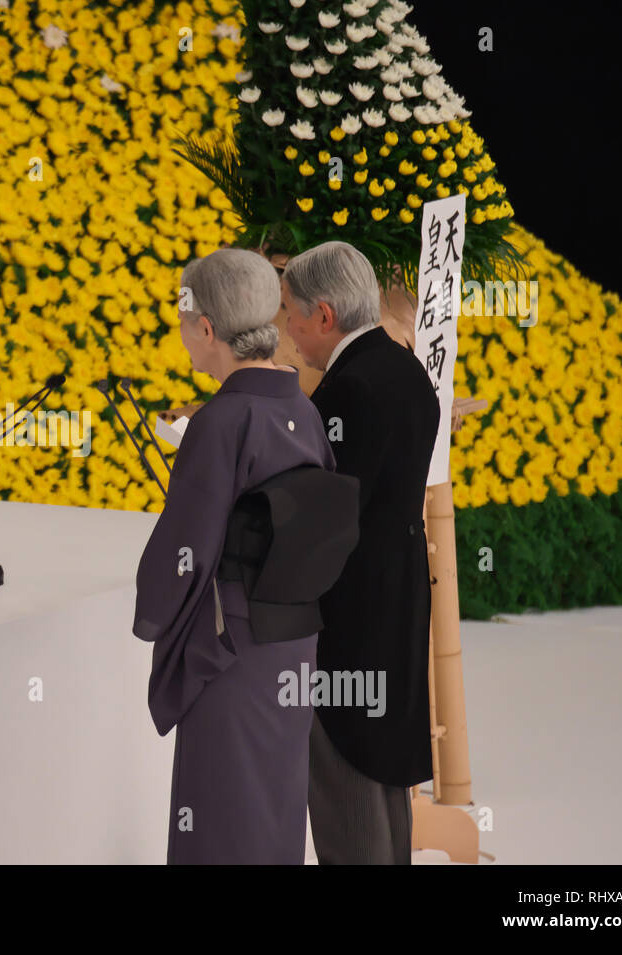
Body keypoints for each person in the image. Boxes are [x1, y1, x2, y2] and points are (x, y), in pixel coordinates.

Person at [132, 248, 337, 864]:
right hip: (293, 644)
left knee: (221, 809)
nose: (181, 334)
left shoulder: (223, 419)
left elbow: (185, 551)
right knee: (271, 802)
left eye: (183, 319)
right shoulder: (299, 407)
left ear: (208, 328)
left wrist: (154, 612)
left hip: (232, 651)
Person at [281, 240, 440, 865]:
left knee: (345, 776)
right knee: (384, 782)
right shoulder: (406, 370)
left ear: (323, 315)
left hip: (350, 612)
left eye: (291, 313)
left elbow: (323, 517)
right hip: (398, 592)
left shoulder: (349, 390)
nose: (288, 331)